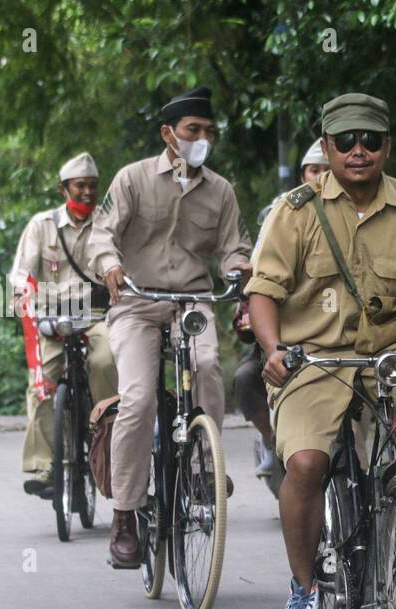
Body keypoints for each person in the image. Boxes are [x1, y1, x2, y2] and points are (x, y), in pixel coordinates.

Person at [245, 92, 396, 609]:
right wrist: (273, 349)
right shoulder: (295, 212)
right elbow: (263, 291)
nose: (358, 151)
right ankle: (304, 589)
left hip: (391, 356)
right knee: (304, 463)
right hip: (313, 359)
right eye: (345, 141)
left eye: (370, 140)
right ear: (326, 147)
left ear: (387, 146)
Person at [88, 85, 253, 569]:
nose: (201, 139)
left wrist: (239, 270)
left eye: (207, 132)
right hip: (137, 303)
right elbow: (102, 233)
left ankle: (203, 470)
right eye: (192, 131)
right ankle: (124, 513)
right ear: (169, 134)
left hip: (192, 302)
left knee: (207, 366)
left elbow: (234, 247)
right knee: (138, 398)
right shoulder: (133, 179)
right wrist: (109, 263)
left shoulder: (221, 190)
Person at [11, 152, 117, 498]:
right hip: (52, 321)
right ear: (63, 189)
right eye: (80, 185)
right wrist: (23, 303)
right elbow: (22, 276)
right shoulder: (42, 226)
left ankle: (109, 449)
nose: (87, 192)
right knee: (43, 385)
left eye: (92, 186)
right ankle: (46, 468)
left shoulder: (108, 223)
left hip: (95, 317)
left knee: (105, 363)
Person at [232, 137, 330, 480]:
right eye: (313, 170)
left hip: (340, 332)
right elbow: (260, 278)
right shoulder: (284, 212)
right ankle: (273, 439)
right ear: (303, 174)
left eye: (325, 169)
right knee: (248, 377)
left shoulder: (355, 210)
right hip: (288, 327)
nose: (319, 177)